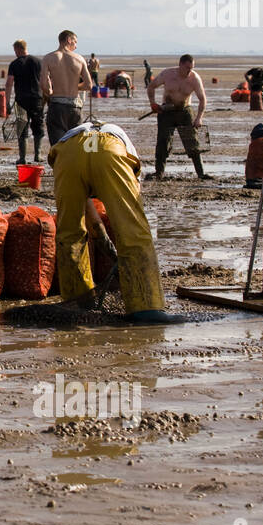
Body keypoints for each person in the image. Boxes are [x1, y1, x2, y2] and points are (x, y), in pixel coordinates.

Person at [48, 120, 179, 323]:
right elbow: (132, 207)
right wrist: (113, 246)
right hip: (110, 150)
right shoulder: (126, 151)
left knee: (69, 233)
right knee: (134, 230)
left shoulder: (77, 138)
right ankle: (146, 307)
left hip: (67, 153)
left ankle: (78, 302)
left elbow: (85, 207)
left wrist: (102, 238)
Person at [147, 54, 210, 179]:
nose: (189, 71)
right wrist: (153, 104)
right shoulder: (167, 74)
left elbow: (202, 99)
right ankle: (159, 173)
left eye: (191, 68)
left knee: (192, 143)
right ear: (180, 64)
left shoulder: (194, 78)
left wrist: (199, 118)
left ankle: (201, 173)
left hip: (185, 112)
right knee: (163, 143)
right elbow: (151, 87)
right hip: (166, 112)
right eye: (187, 68)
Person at [41, 30, 92, 144]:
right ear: (69, 40)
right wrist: (74, 86)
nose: (76, 46)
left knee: (58, 145)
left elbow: (44, 85)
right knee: (75, 145)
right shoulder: (79, 59)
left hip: (57, 105)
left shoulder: (48, 58)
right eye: (75, 42)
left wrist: (50, 91)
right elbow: (89, 85)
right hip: (75, 107)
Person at [5, 39, 44, 165]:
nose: (15, 53)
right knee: (38, 126)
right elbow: (46, 80)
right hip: (37, 99)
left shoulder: (15, 64)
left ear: (18, 49)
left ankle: (22, 158)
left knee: (22, 128)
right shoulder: (38, 62)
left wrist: (7, 102)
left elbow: (9, 83)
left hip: (21, 100)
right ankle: (38, 155)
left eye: (15, 50)